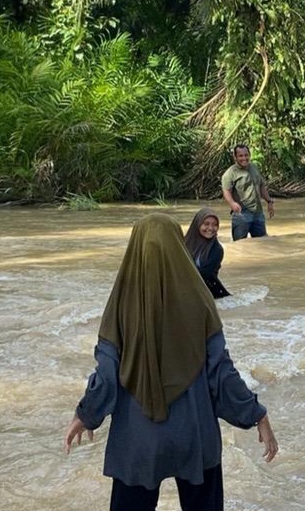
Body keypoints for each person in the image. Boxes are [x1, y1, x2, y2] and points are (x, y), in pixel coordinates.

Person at [63, 214, 278, 511]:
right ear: (180, 245)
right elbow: (221, 373)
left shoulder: (120, 304)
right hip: (195, 433)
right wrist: (256, 414)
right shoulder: (201, 302)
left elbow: (108, 372)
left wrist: (86, 414)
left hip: (137, 438)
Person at [221, 144, 275, 241]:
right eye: (240, 156)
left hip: (258, 213)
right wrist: (232, 203)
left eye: (246, 155)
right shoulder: (230, 173)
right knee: (239, 245)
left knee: (262, 243)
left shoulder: (254, 168)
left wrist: (269, 201)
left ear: (249, 155)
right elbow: (226, 191)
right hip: (241, 214)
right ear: (235, 157)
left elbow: (262, 186)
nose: (244, 158)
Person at [185, 207, 231, 299]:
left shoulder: (217, 250)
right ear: (197, 224)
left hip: (208, 294)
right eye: (206, 224)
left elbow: (201, 275)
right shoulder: (183, 242)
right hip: (187, 289)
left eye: (215, 225)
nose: (210, 228)